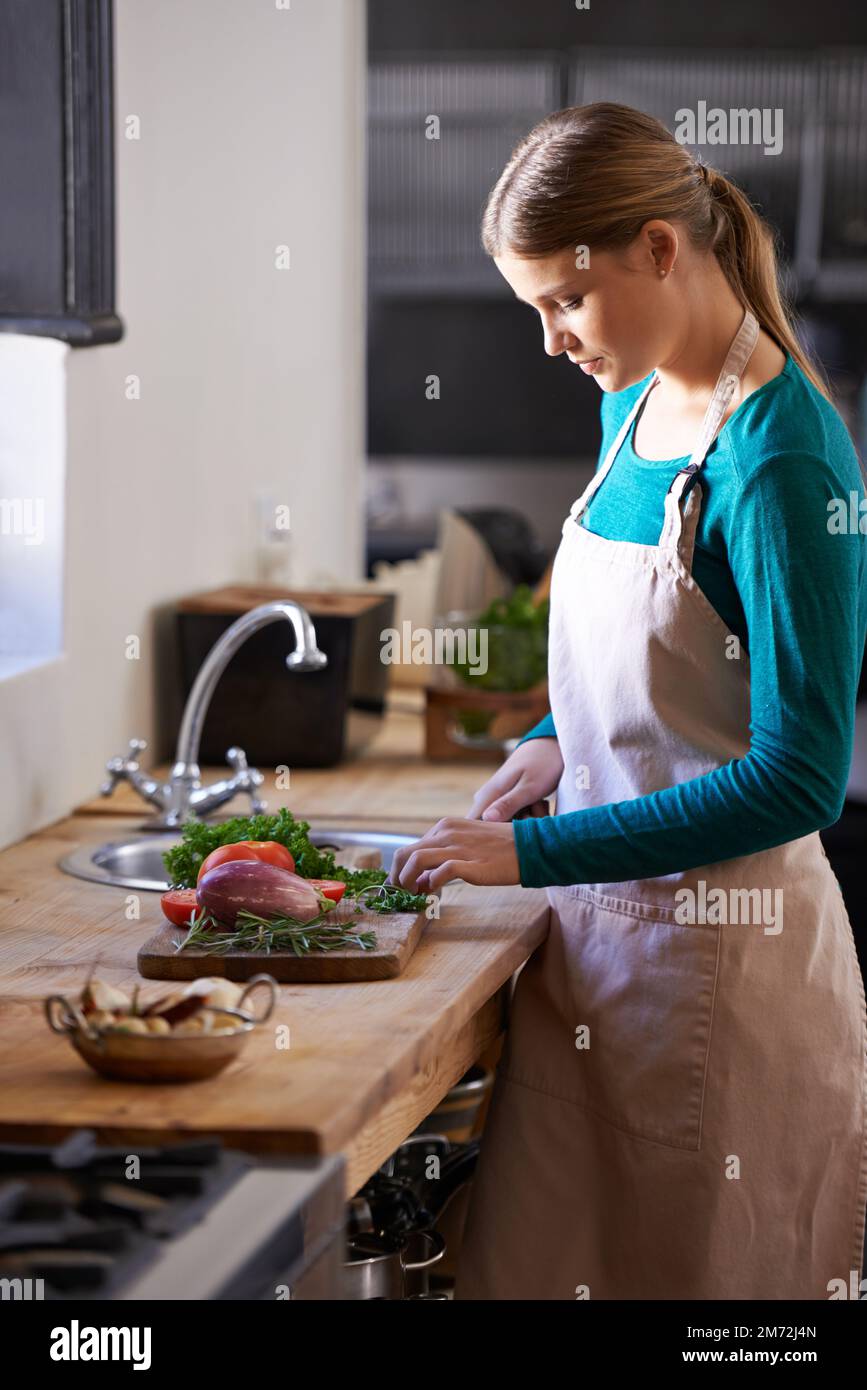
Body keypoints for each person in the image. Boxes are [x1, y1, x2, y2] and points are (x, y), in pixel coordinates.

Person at [388, 103, 867, 1300]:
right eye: (532, 308)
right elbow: (639, 672)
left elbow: (800, 775)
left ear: (661, 249)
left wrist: (530, 851)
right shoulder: (632, 397)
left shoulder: (783, 456)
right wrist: (556, 743)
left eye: (565, 299)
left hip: (723, 985)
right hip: (596, 967)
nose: (551, 341)